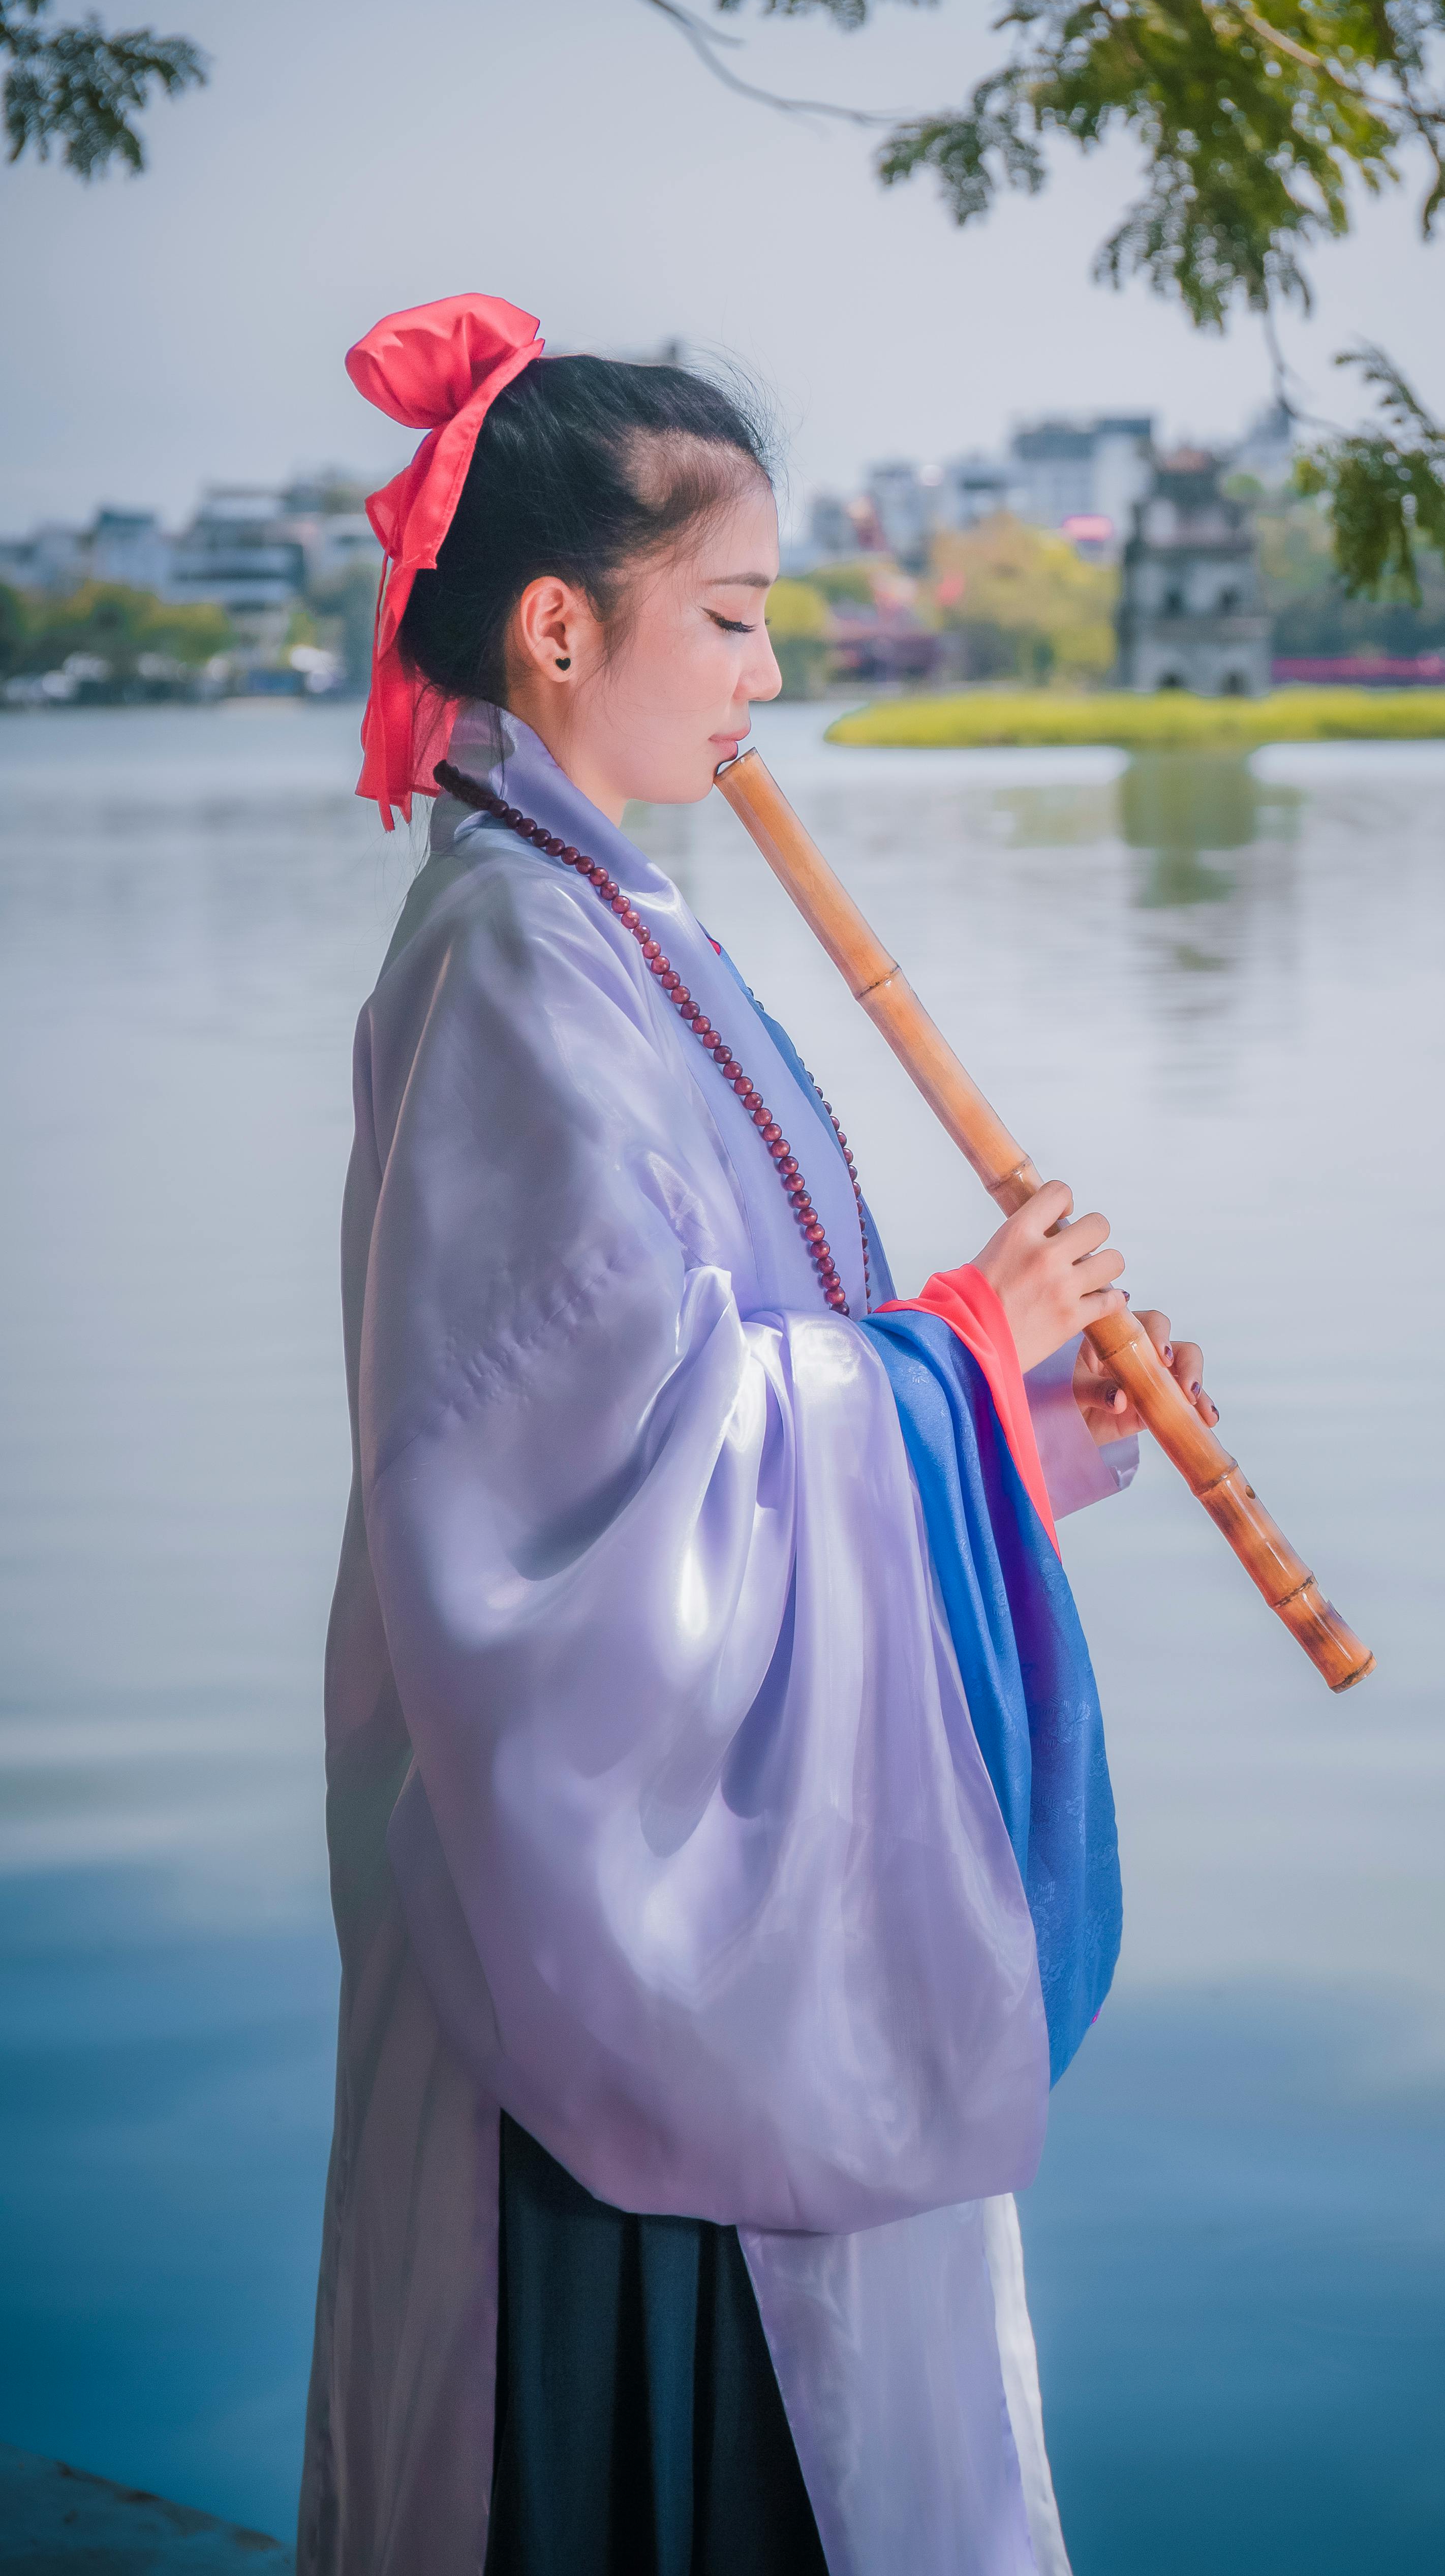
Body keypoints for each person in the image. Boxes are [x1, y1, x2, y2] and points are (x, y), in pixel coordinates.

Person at [297, 295, 1217, 2576]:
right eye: (726, 617)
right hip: (602, 1893)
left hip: (708, 1840)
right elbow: (569, 1484)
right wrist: (947, 1347)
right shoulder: (519, 950)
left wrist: (1010, 1399)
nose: (762, 678)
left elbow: (739, 1371)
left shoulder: (615, 926)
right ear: (551, 623)